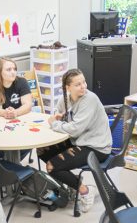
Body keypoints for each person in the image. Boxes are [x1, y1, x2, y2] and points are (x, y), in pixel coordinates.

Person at [37, 69, 112, 213]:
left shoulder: (90, 99)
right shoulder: (64, 99)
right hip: (78, 141)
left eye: (83, 82)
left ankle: (84, 190)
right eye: (78, 84)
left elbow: (75, 129)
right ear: (67, 88)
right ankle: (71, 184)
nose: (83, 86)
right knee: (42, 150)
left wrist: (55, 124)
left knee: (52, 166)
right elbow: (62, 118)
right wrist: (59, 119)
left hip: (96, 147)